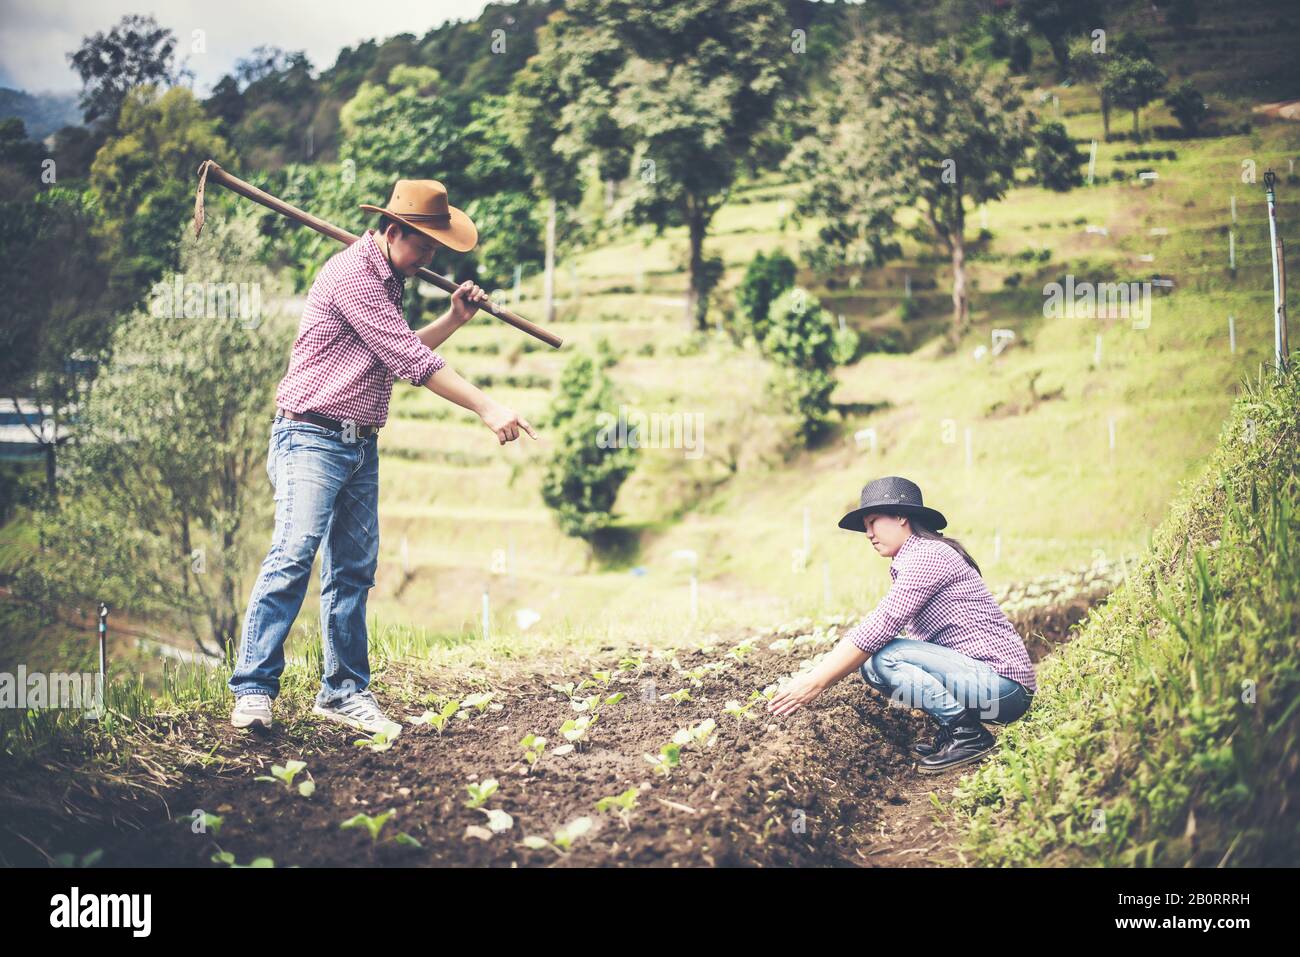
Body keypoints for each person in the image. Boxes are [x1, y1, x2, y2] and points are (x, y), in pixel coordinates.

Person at [228, 179, 536, 734]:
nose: (429, 259)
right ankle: (253, 689)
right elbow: (410, 360)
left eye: (435, 251)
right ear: (393, 232)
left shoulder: (386, 278)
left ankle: (344, 692)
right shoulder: (352, 276)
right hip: (311, 436)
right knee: (294, 552)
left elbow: (392, 353)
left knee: (352, 570)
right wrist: (488, 407)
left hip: (358, 442)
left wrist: (454, 320)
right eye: (424, 247)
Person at [767, 476, 1037, 772]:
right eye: (865, 527)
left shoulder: (928, 556)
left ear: (901, 516)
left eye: (873, 522)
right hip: (986, 687)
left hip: (1004, 689)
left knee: (885, 656)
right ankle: (955, 730)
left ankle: (967, 735)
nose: (868, 534)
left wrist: (815, 682)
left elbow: (881, 625)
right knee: (872, 664)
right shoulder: (915, 558)